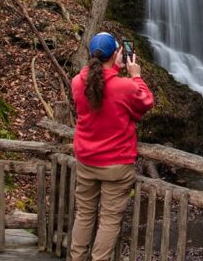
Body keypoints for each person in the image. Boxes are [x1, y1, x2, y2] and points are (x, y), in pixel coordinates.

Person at [70, 32, 154, 261]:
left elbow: (99, 95)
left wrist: (113, 69)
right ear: (116, 53)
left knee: (84, 214)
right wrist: (135, 75)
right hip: (116, 164)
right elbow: (145, 102)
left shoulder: (77, 82)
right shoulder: (124, 86)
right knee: (109, 219)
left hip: (86, 160)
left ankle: (76, 258)